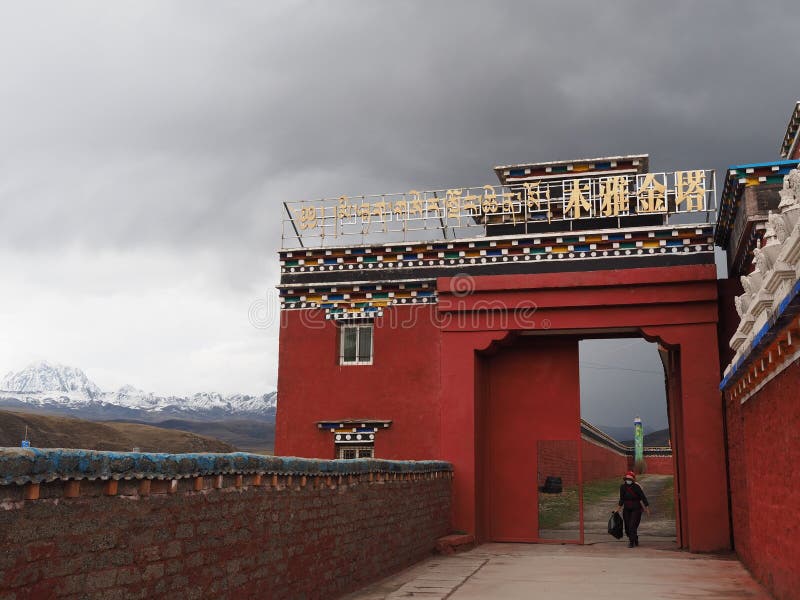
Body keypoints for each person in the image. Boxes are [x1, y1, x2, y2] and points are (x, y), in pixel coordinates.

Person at [614, 470, 650, 548]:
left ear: (633, 480)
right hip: (626, 509)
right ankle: (635, 537)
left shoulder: (636, 487)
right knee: (627, 527)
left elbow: (643, 497)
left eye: (630, 479)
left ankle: (631, 542)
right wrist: (618, 509)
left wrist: (647, 508)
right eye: (627, 479)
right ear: (625, 479)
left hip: (636, 508)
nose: (628, 480)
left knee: (632, 525)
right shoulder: (622, 487)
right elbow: (621, 499)